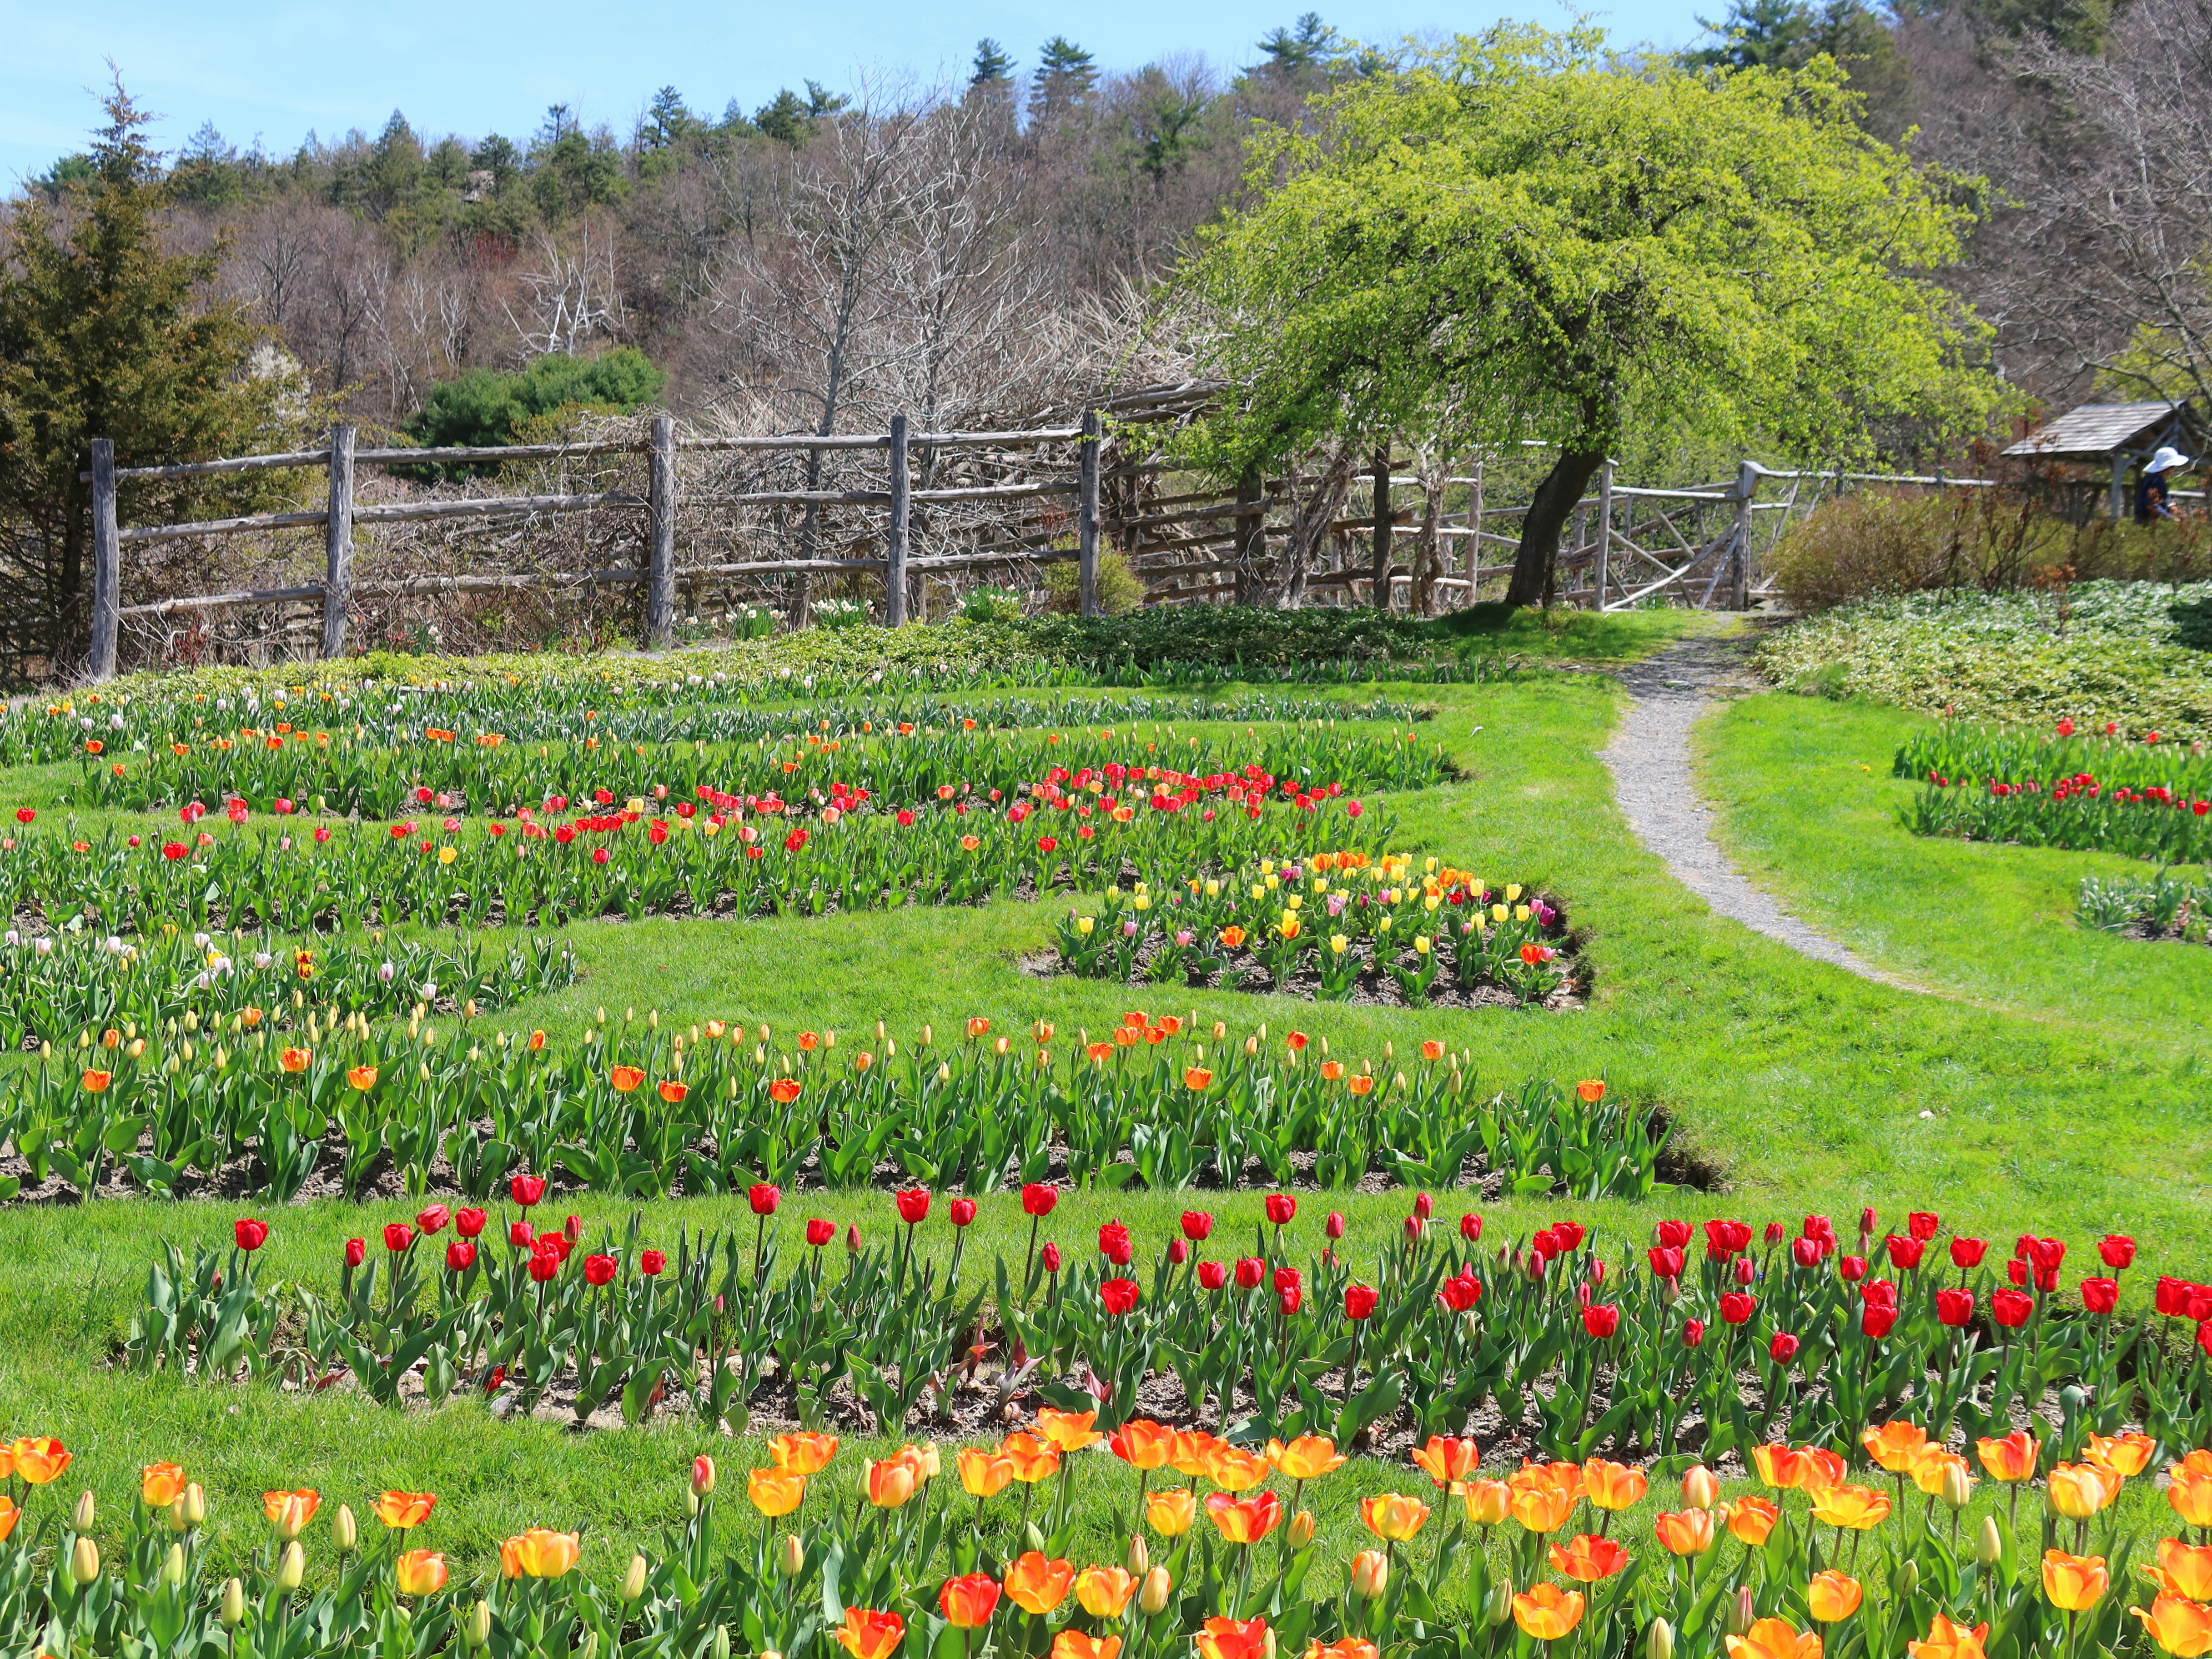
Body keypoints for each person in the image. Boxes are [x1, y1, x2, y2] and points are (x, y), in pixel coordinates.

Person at [2136, 445, 2192, 523]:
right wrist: (2170, 518)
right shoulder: (2158, 481)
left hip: (2142, 519)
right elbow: (2153, 505)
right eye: (2173, 468)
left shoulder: (2149, 478)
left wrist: (2168, 508)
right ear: (2168, 468)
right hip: (2150, 522)